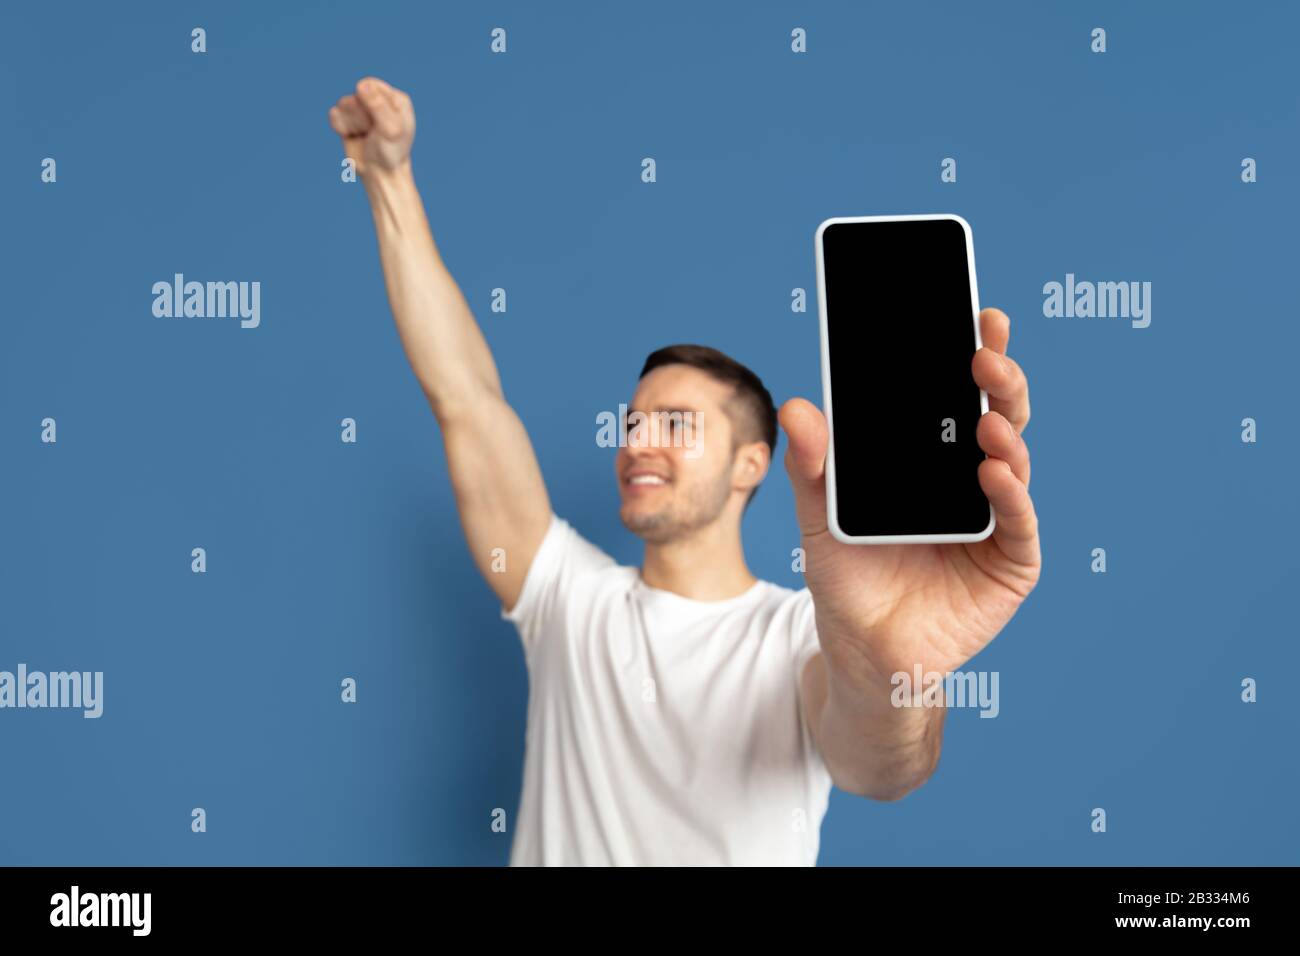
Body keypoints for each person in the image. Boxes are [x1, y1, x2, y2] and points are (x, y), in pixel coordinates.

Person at [328, 76, 1042, 866]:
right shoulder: (568, 602)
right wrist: (388, 179)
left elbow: (880, 764)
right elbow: (467, 399)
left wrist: (893, 671)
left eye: (676, 425)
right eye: (634, 424)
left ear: (751, 464)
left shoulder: (809, 634)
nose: (640, 443)